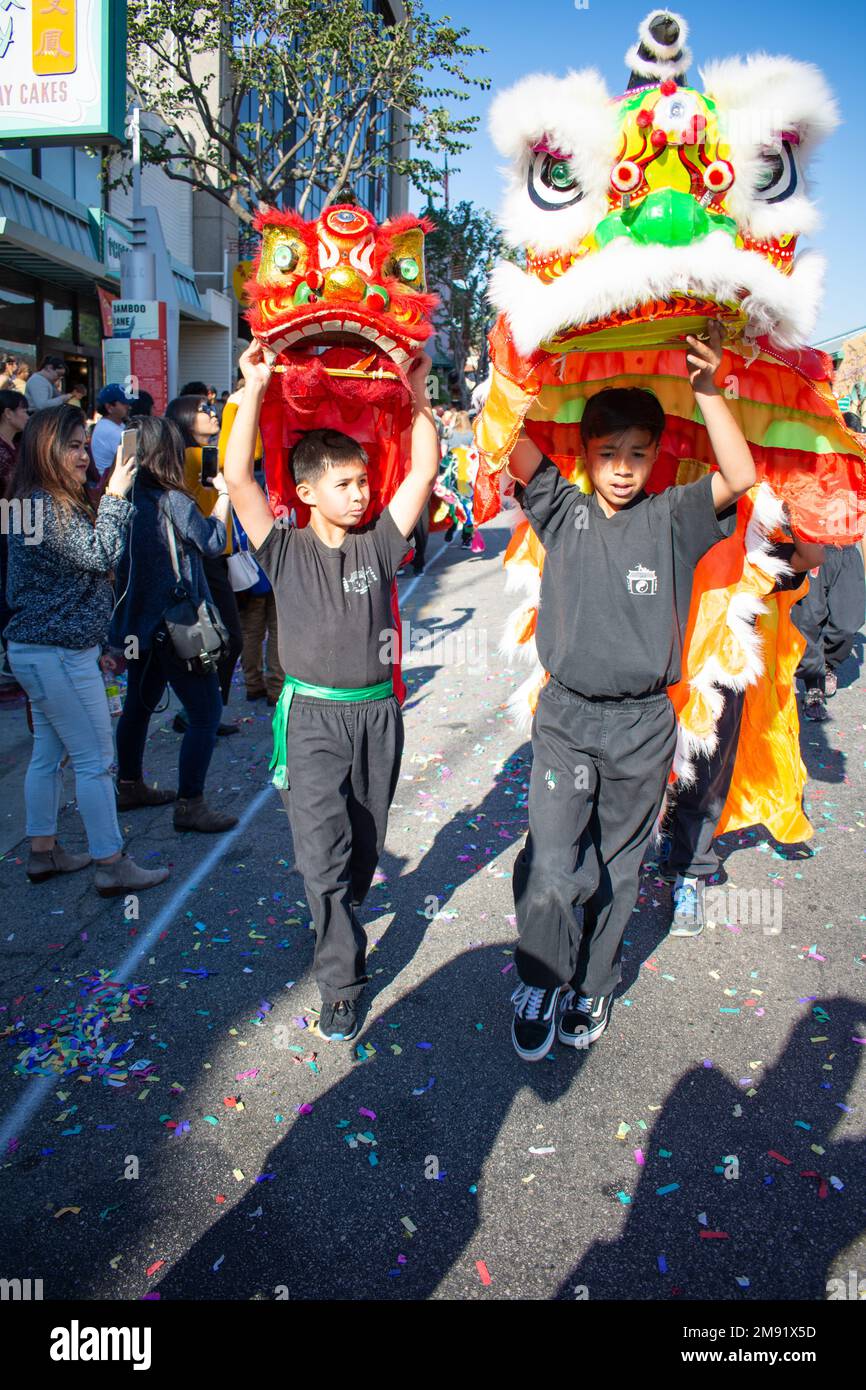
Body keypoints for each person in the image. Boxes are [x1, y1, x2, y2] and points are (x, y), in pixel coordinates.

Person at [505, 323, 756, 1061]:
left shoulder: (675, 516)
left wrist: (707, 389)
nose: (622, 468)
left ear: (656, 456)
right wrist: (512, 363)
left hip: (645, 725)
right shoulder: (560, 507)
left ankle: (591, 983)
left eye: (637, 454)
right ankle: (542, 977)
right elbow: (504, 441)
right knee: (552, 864)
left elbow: (738, 477)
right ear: (584, 456)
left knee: (617, 864)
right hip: (565, 720)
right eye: (608, 454)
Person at [224, 338, 439, 1043]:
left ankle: (338, 915)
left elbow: (425, 470)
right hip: (311, 720)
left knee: (363, 849)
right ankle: (342, 980)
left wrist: (417, 395)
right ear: (309, 490)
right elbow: (238, 476)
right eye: (346, 484)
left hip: (377, 718)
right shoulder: (283, 548)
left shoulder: (380, 541)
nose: (362, 493)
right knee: (321, 854)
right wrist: (253, 388)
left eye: (364, 482)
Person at [3, 405, 170, 895]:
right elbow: (100, 556)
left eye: (83, 445)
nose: (82, 455)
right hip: (56, 653)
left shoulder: (32, 500)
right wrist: (116, 496)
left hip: (43, 648)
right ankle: (110, 862)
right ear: (44, 449)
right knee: (95, 759)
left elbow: (57, 583)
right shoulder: (45, 504)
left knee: (48, 754)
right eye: (72, 446)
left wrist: (94, 639)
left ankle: (42, 850)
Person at [661, 530, 825, 935]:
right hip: (655, 665)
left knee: (708, 773)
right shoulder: (659, 512)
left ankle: (690, 870)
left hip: (722, 669)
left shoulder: (751, 537)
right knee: (648, 770)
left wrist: (807, 496)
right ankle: (649, 850)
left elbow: (806, 556)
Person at [109, 417, 238, 833]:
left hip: (135, 626)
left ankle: (128, 784)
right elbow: (214, 542)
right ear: (167, 454)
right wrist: (223, 496)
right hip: (176, 625)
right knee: (205, 712)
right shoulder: (173, 501)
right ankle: (190, 804)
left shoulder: (118, 500)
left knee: (138, 707)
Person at [166, 393, 243, 734]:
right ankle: (202, 712)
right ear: (183, 420)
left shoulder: (197, 456)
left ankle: (204, 712)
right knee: (225, 639)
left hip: (214, 556)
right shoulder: (193, 457)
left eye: (212, 409)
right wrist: (238, 404)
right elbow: (240, 456)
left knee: (218, 638)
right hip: (204, 558)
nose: (212, 415)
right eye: (203, 410)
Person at [793, 543, 866, 721]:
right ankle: (813, 686)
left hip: (847, 552)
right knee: (808, 622)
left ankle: (827, 664)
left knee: (848, 624)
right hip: (812, 547)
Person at [233, 508, 285, 706]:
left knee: (251, 633)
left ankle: (253, 684)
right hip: (274, 572)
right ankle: (275, 687)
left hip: (248, 577)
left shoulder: (239, 499)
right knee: (277, 631)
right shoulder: (272, 498)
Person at [90, 385, 132, 475]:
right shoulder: (110, 430)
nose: (129, 407)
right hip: (112, 483)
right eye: (124, 403)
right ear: (109, 407)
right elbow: (134, 458)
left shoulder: (114, 424)